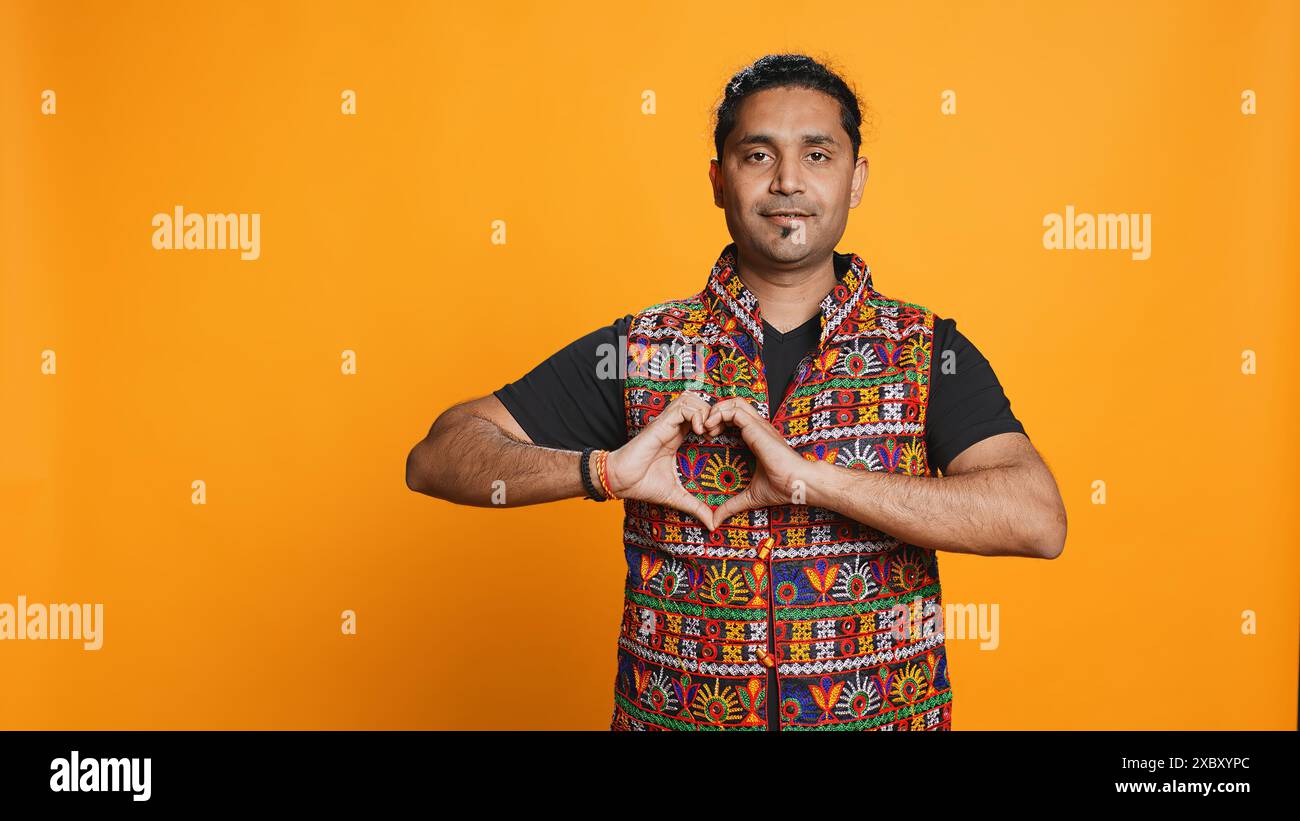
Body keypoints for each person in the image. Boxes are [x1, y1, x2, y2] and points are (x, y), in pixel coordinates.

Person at [406, 53, 1067, 731]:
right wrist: (601, 470)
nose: (787, 181)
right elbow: (437, 455)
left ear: (856, 178)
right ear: (720, 182)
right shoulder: (641, 348)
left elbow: (1037, 520)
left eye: (817, 154)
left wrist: (813, 479)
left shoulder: (926, 351)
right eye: (758, 155)